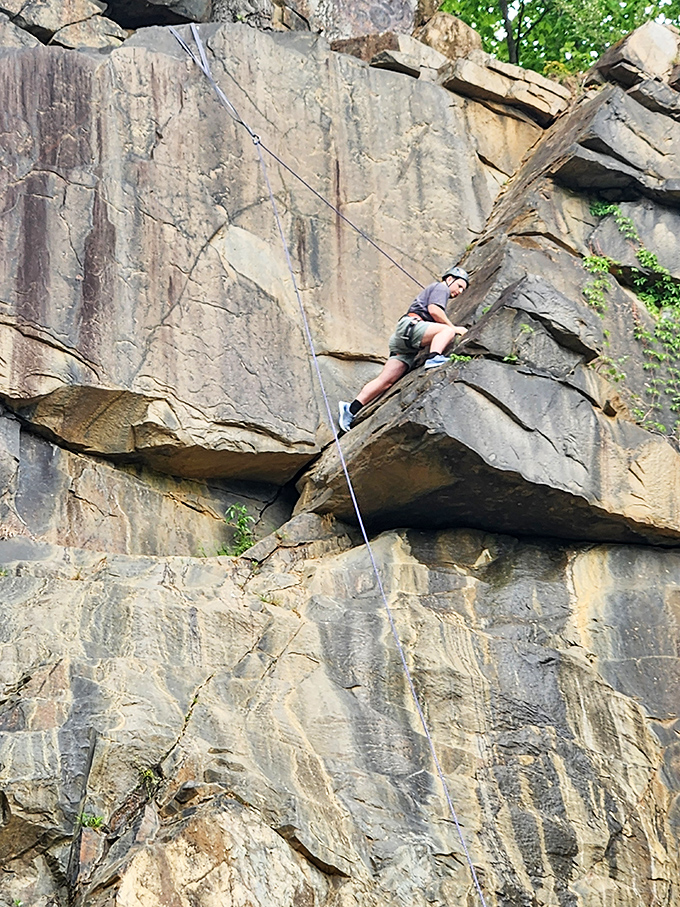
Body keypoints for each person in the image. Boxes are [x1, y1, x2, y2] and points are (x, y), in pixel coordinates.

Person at [338, 265, 470, 432]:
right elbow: (434, 310)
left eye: (463, 290)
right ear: (450, 279)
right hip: (411, 327)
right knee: (448, 330)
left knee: (386, 381)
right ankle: (434, 358)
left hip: (404, 341)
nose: (459, 292)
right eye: (459, 286)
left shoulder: (438, 289)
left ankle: (350, 409)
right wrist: (454, 328)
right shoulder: (441, 287)